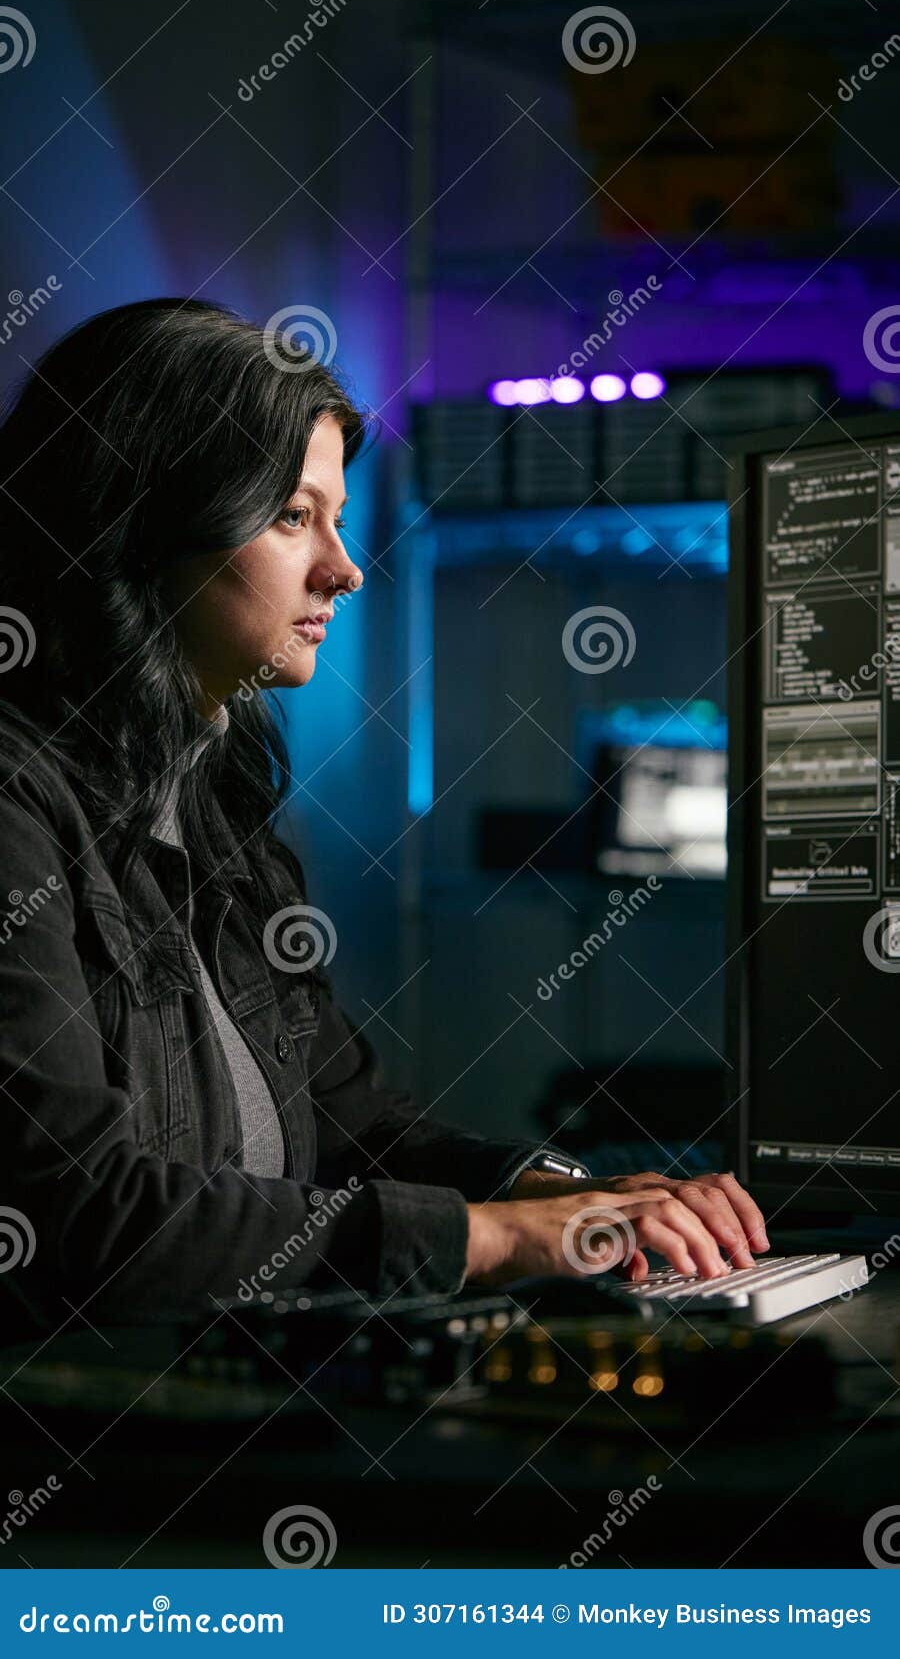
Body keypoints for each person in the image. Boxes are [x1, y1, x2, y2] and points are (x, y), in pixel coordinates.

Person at [0, 298, 768, 1347]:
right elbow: (86, 1217)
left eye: (340, 518)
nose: (344, 568)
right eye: (292, 516)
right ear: (142, 522)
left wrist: (570, 1191)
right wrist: (495, 1240)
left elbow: (350, 1122)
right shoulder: (15, 803)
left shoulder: (213, 805)